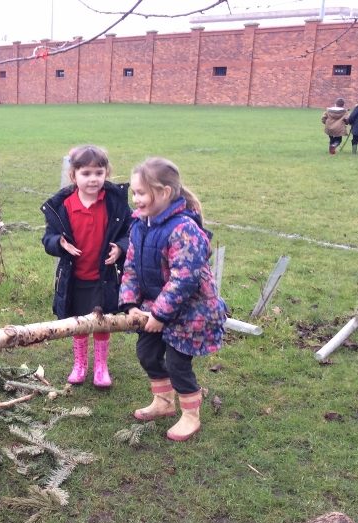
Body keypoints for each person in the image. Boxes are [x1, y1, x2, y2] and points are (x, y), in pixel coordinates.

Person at [119, 157, 227, 442]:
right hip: (156, 309)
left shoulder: (184, 229)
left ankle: (191, 414)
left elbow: (184, 278)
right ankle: (164, 402)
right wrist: (130, 304)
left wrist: (160, 315)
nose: (135, 198)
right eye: (134, 192)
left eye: (141, 192)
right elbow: (130, 266)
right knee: (147, 353)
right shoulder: (140, 225)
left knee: (178, 364)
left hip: (191, 311)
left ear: (164, 192)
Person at [41, 145, 132, 387]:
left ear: (106, 173)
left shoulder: (114, 203)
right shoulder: (63, 206)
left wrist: (121, 247)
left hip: (102, 276)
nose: (93, 179)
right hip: (75, 277)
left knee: (102, 322)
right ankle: (80, 365)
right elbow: (48, 239)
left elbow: (130, 231)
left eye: (99, 173)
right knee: (79, 323)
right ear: (73, 176)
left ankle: (101, 367)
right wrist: (59, 243)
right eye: (86, 173)